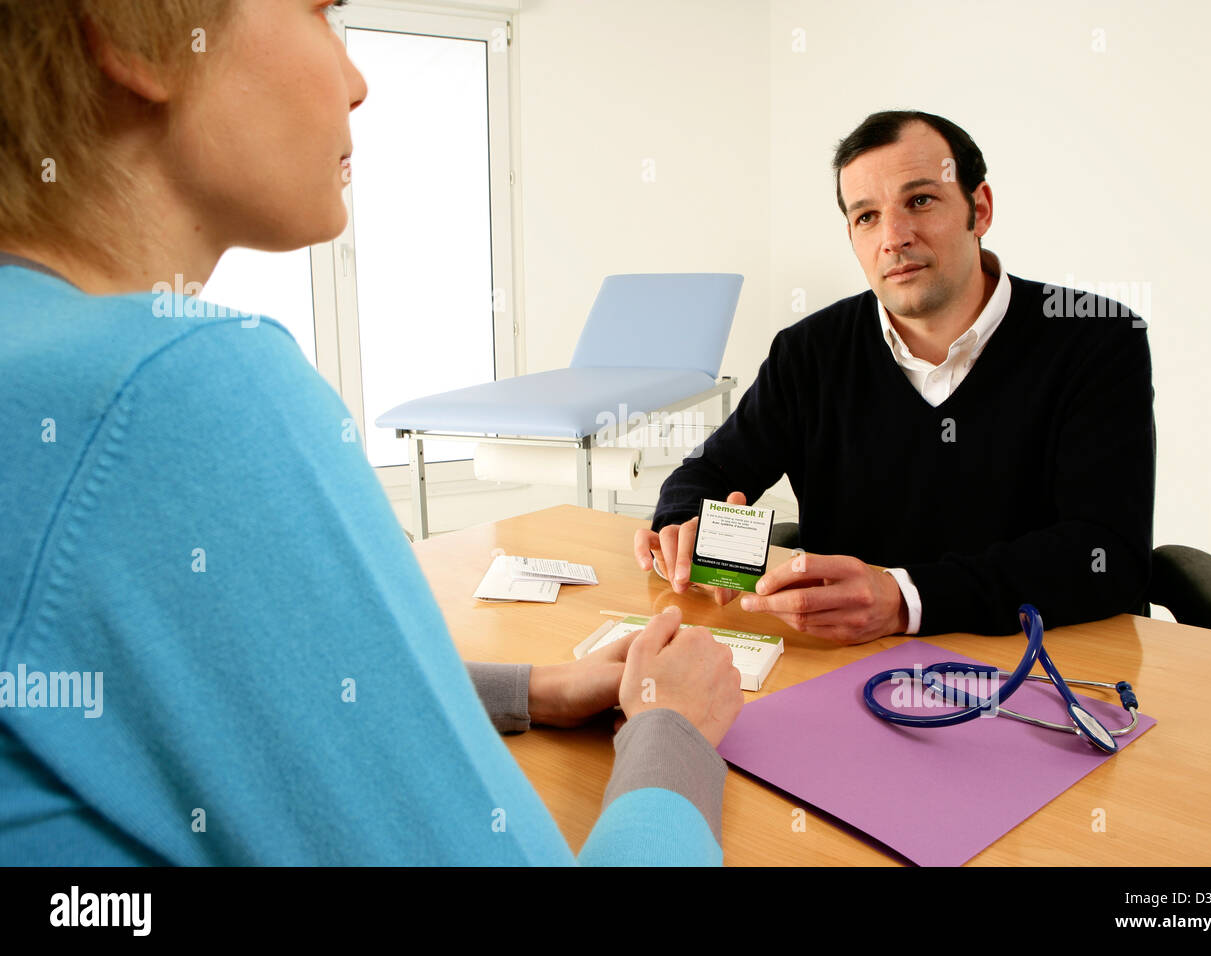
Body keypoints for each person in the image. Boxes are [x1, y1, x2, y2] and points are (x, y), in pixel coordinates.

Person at [0, 0, 742, 865]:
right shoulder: (173, 391)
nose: (357, 83)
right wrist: (670, 730)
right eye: (322, 12)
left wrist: (525, 689)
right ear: (131, 33)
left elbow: (229, 692)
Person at [635, 110, 1155, 644]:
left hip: (1041, 666)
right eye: (866, 217)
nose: (894, 237)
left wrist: (903, 599)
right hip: (846, 668)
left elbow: (1107, 555)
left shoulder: (1096, 338)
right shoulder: (810, 351)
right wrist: (682, 522)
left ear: (979, 208)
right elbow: (711, 470)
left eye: (920, 201)